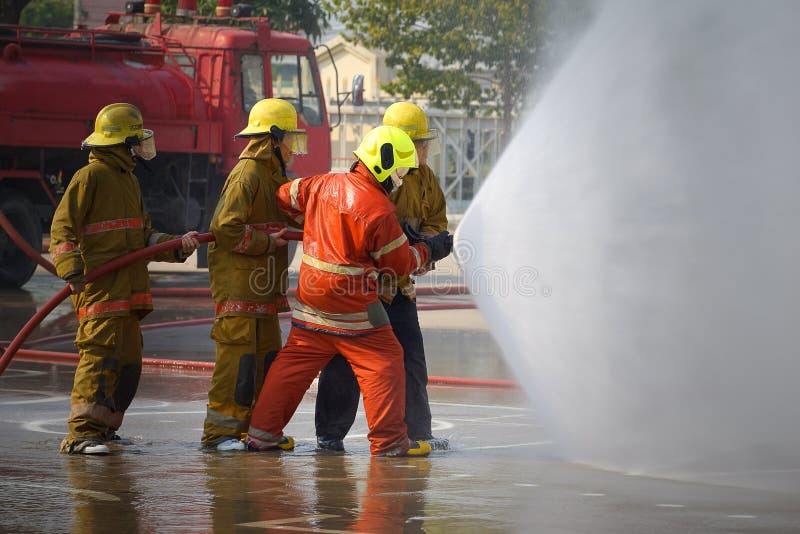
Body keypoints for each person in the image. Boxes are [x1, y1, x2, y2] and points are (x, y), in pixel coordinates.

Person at [245, 125, 453, 456]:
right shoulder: (378, 208)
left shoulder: (322, 183)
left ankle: (262, 435)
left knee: (294, 362)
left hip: (311, 297)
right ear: (384, 163)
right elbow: (399, 264)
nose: (401, 178)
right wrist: (430, 249)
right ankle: (389, 442)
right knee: (385, 359)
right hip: (352, 302)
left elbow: (285, 197)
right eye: (400, 169)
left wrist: (312, 221)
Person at [50, 103, 199, 455]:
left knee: (128, 367)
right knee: (99, 360)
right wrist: (71, 269)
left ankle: (104, 431)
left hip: (129, 294)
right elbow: (62, 228)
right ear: (120, 142)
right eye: (135, 140)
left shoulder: (128, 180)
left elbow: (143, 239)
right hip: (100, 291)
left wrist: (177, 245)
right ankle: (81, 435)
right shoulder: (91, 178)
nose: (139, 149)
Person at [315, 102, 450, 451]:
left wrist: (426, 245)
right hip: (366, 289)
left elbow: (436, 218)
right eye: (418, 144)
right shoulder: (371, 177)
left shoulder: (425, 178)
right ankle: (329, 437)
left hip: (400, 288)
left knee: (411, 362)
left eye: (424, 144)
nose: (424, 151)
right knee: (345, 363)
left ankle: (418, 434)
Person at [201, 98, 307, 451]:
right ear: (273, 139)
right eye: (289, 138)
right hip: (239, 290)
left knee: (265, 364)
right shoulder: (247, 174)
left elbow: (294, 215)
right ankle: (220, 436)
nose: (293, 147)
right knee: (238, 366)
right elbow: (224, 227)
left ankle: (256, 431)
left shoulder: (273, 175)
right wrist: (265, 241)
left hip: (261, 292)